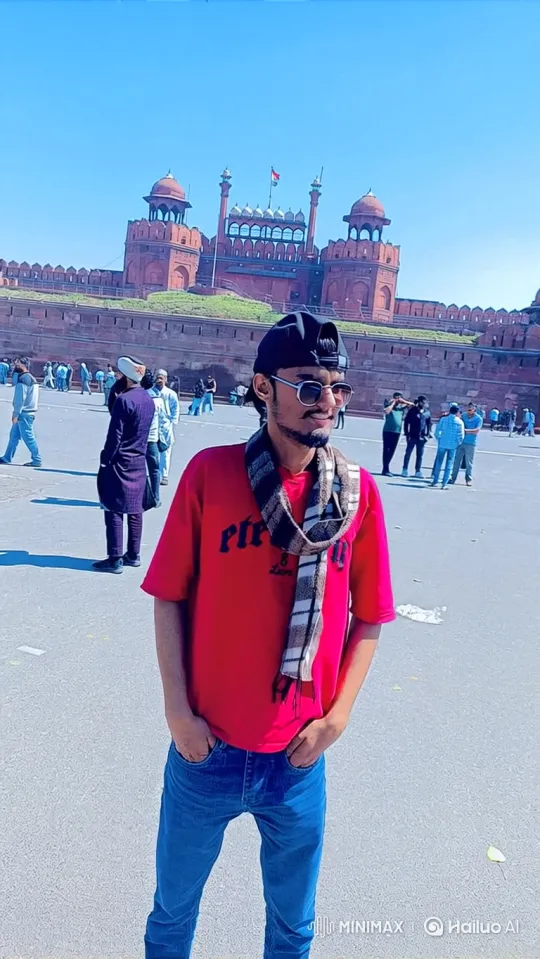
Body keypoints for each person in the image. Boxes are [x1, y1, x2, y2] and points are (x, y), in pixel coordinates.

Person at [141, 311, 395, 959]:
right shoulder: (210, 476)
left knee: (293, 927)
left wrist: (337, 718)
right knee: (173, 913)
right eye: (309, 385)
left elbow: (369, 615)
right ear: (263, 388)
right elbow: (168, 594)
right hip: (207, 750)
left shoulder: (357, 495)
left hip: (298, 759)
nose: (327, 402)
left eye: (337, 387)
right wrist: (177, 712)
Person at [94, 356, 155, 574]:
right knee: (136, 510)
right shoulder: (148, 399)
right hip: (139, 461)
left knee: (113, 508)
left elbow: (114, 438)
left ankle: (115, 557)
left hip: (120, 462)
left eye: (120, 374)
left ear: (126, 377)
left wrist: (105, 460)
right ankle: (134, 554)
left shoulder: (124, 400)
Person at [0, 357, 41, 468]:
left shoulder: (23, 379)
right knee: (14, 436)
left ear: (24, 365)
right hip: (27, 412)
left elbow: (20, 399)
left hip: (24, 413)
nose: (15, 366)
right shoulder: (30, 378)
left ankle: (37, 459)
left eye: (17, 364)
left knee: (28, 437)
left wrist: (15, 414)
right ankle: (7, 457)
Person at [151, 369, 179, 487]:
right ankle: (152, 473)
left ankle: (165, 475)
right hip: (152, 427)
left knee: (166, 452)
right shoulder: (149, 393)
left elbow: (175, 408)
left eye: (162, 378)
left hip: (166, 426)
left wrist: (172, 421)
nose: (160, 380)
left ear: (166, 380)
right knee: (151, 452)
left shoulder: (170, 393)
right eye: (158, 377)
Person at [142, 370, 166, 509]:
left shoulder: (136, 398)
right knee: (155, 470)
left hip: (138, 440)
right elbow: (163, 421)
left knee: (138, 470)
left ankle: (139, 497)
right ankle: (155, 498)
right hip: (152, 439)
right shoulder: (158, 400)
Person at [430, 403, 465, 489]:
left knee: (439, 462)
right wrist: (458, 443)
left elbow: (437, 431)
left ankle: (435, 480)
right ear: (457, 412)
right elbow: (461, 435)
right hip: (453, 445)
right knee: (449, 464)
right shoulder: (459, 422)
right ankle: (444, 483)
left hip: (442, 443)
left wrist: (439, 439)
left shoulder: (443, 419)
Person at [449, 401, 483, 487]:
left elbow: (476, 430)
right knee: (456, 461)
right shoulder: (464, 416)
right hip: (461, 441)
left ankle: (468, 479)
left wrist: (465, 431)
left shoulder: (478, 418)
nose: (469, 409)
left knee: (469, 462)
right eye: (468, 408)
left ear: (475, 409)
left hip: (471, 443)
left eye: (471, 408)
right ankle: (453, 478)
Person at [382, 391, 414, 475]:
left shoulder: (401, 408)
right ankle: (385, 469)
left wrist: (404, 401)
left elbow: (414, 406)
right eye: (396, 397)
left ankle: (387, 467)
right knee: (386, 450)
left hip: (396, 432)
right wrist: (393, 403)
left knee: (392, 450)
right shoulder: (388, 406)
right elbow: (386, 412)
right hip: (387, 431)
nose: (397, 399)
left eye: (399, 397)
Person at [401, 395, 431, 478]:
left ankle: (418, 470)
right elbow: (406, 422)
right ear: (419, 402)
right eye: (423, 402)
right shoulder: (413, 410)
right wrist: (406, 433)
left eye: (425, 402)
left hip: (422, 437)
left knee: (420, 454)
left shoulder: (426, 412)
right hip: (412, 435)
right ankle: (405, 469)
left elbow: (429, 424)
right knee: (408, 453)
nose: (424, 404)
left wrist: (428, 434)